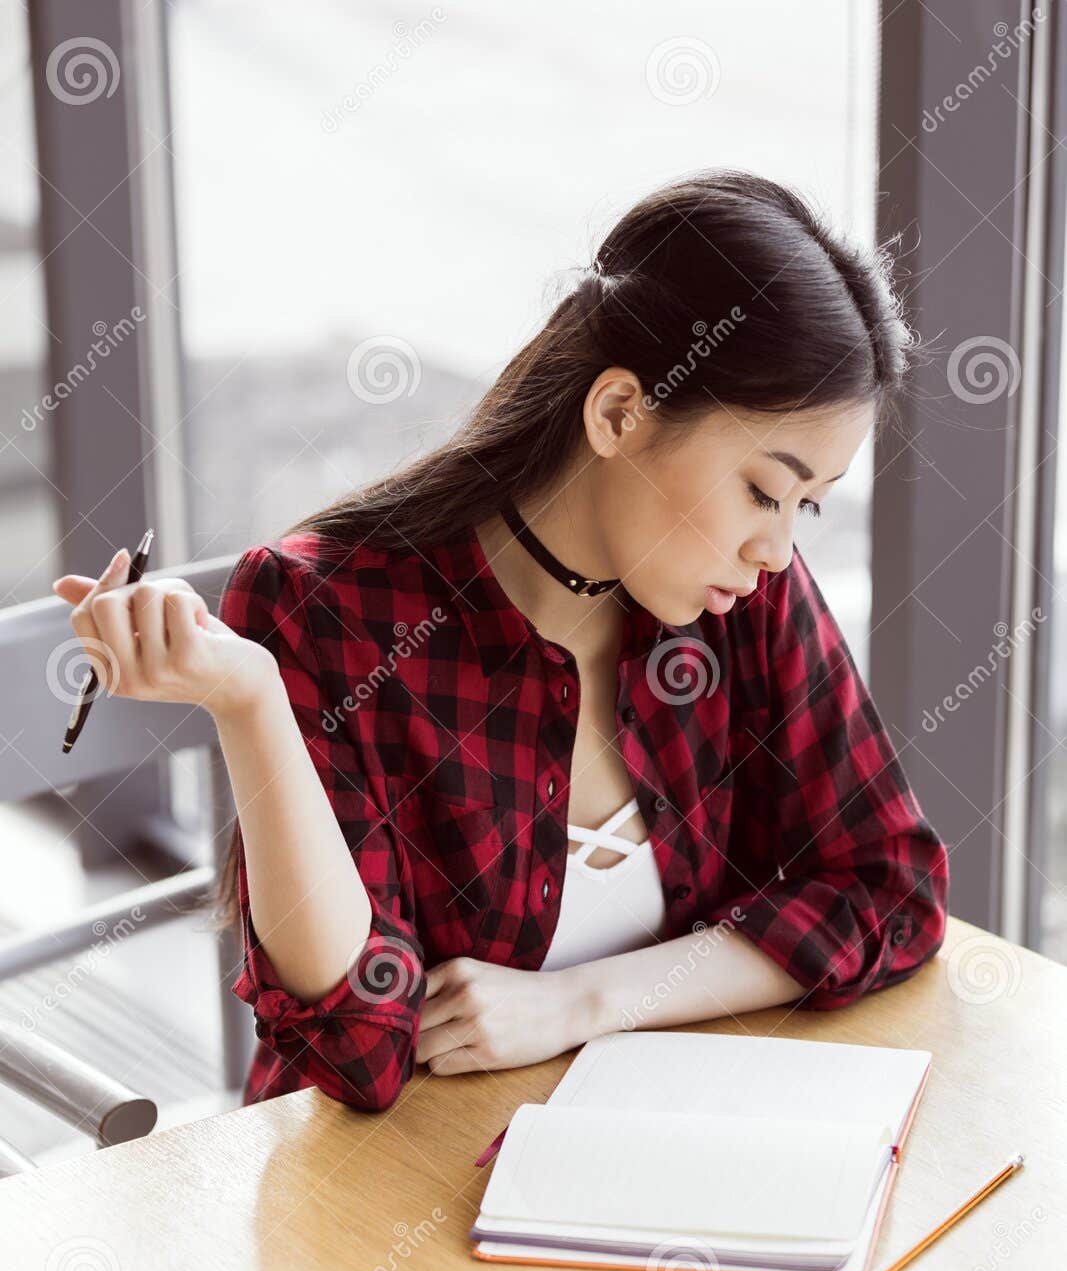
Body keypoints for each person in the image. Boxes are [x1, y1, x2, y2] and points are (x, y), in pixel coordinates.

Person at [53, 169, 949, 1115]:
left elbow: (890, 888)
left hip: (654, 1151)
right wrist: (250, 700)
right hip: (382, 1206)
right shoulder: (328, 611)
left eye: (805, 507)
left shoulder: (744, 595)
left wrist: (585, 1003)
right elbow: (358, 1049)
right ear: (616, 414)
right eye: (764, 491)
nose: (776, 547)